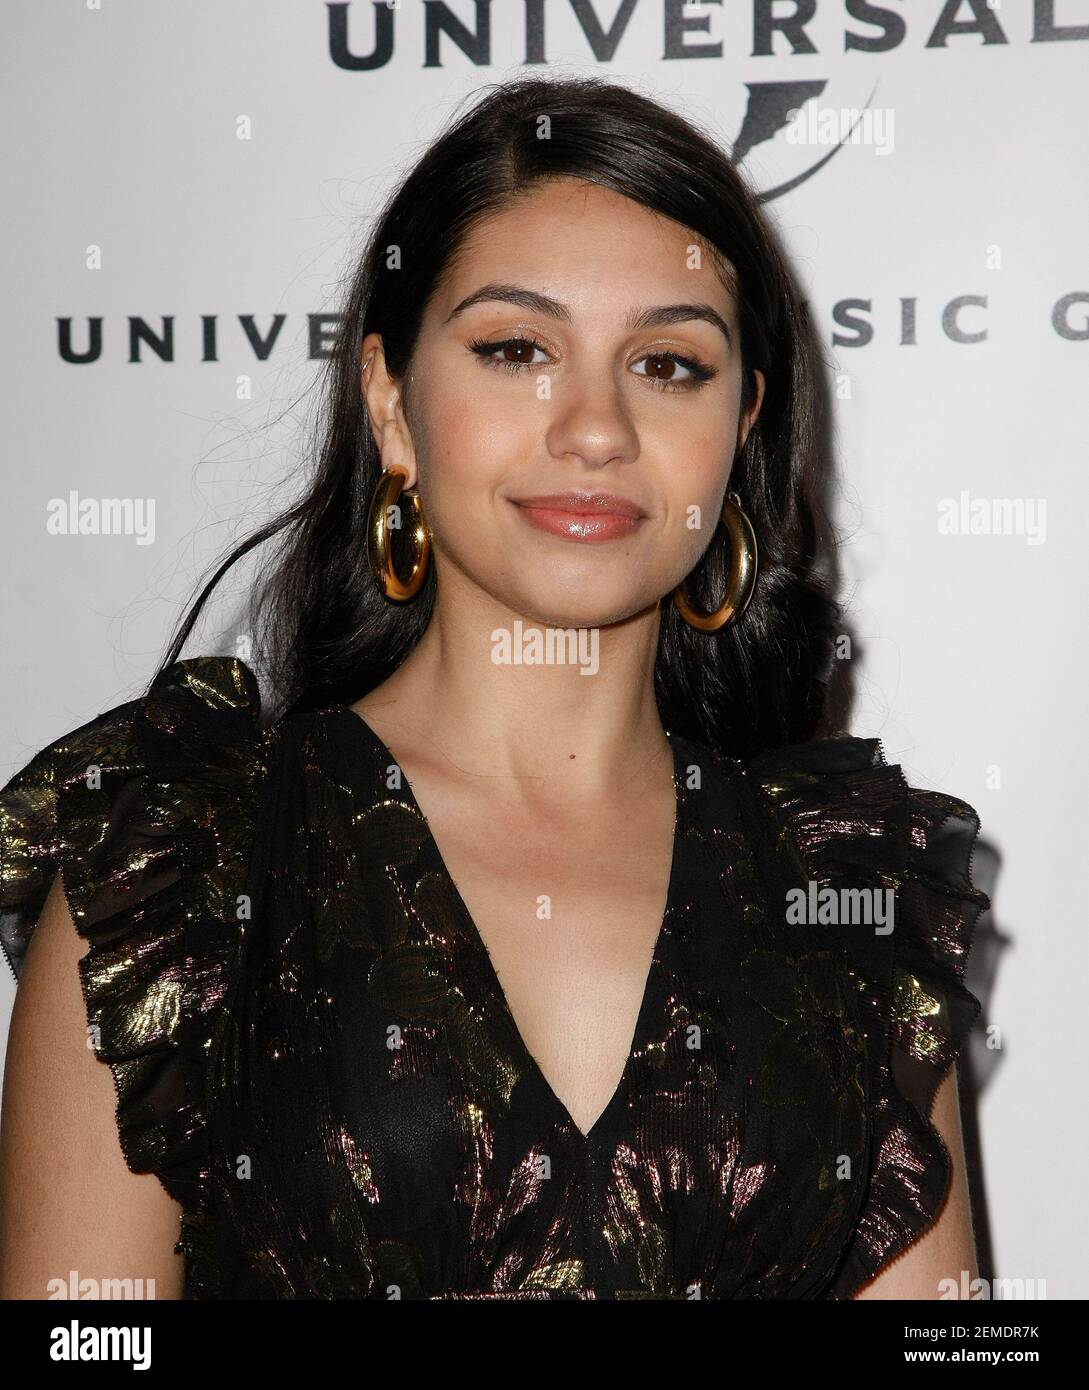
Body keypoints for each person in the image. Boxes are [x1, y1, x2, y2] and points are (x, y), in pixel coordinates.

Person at [0, 75, 988, 1300]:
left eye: (670, 363)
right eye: (516, 349)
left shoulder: (848, 892)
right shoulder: (185, 857)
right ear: (391, 404)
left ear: (741, 429)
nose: (593, 426)